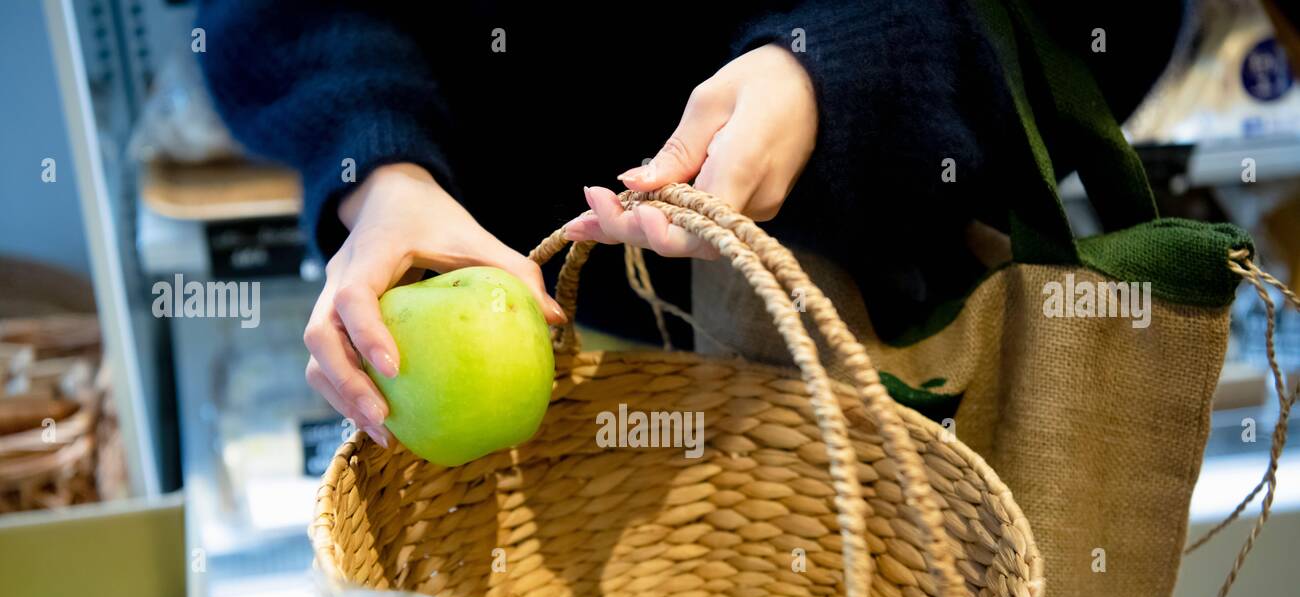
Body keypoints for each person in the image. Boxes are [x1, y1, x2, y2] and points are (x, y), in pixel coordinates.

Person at [198, 1, 1183, 447]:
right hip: (530, 307)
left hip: (853, 341)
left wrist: (834, 78)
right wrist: (379, 164)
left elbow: (1105, 22)